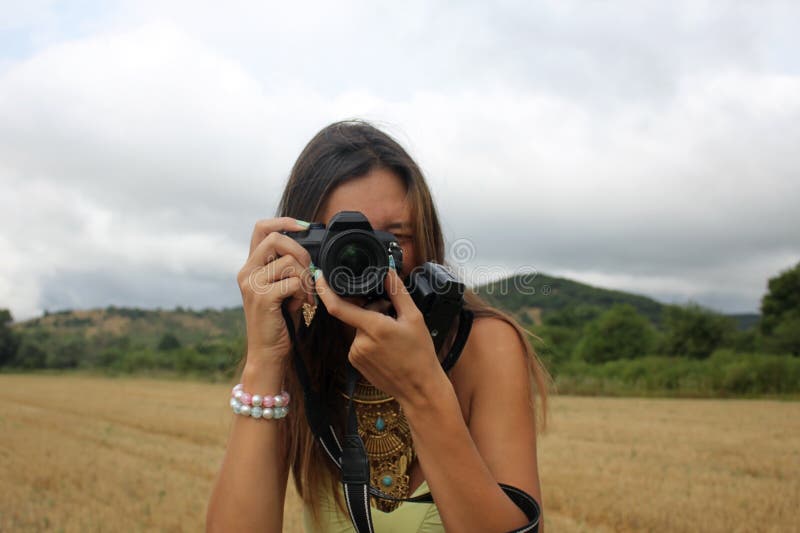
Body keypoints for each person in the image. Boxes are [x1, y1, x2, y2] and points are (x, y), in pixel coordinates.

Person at [206, 120, 549, 532]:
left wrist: (422, 389)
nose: (359, 255)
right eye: (341, 238)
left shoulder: (485, 346)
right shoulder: (302, 354)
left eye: (392, 236)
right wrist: (264, 361)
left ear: (426, 241)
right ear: (298, 246)